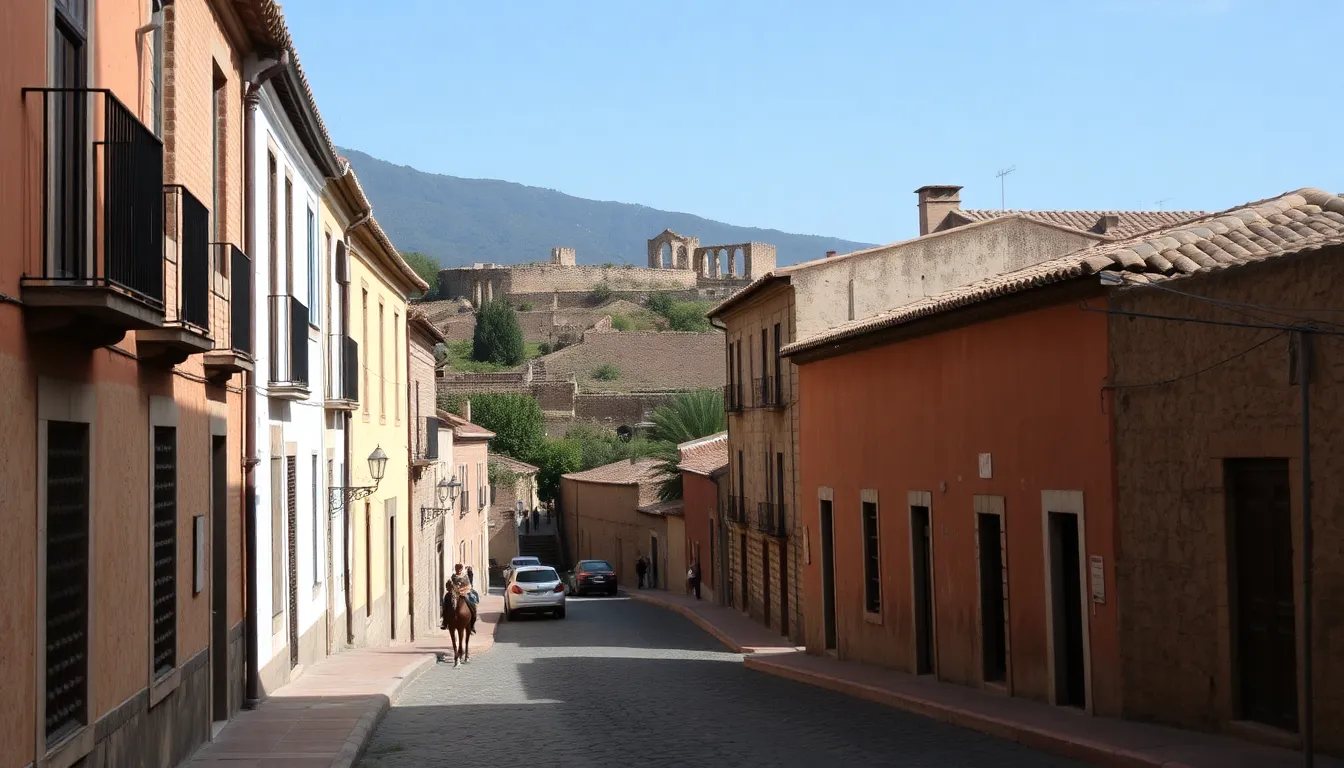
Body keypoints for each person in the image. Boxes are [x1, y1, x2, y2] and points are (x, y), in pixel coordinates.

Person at [449, 564, 477, 634]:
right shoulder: (453, 577)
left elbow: (468, 586)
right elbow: (451, 585)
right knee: (447, 601)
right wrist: (453, 589)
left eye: (459, 569)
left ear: (461, 569)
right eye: (456, 569)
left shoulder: (465, 576)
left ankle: (472, 625)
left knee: (472, 604)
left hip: (464, 593)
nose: (458, 571)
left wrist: (462, 590)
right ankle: (445, 621)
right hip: (455, 594)